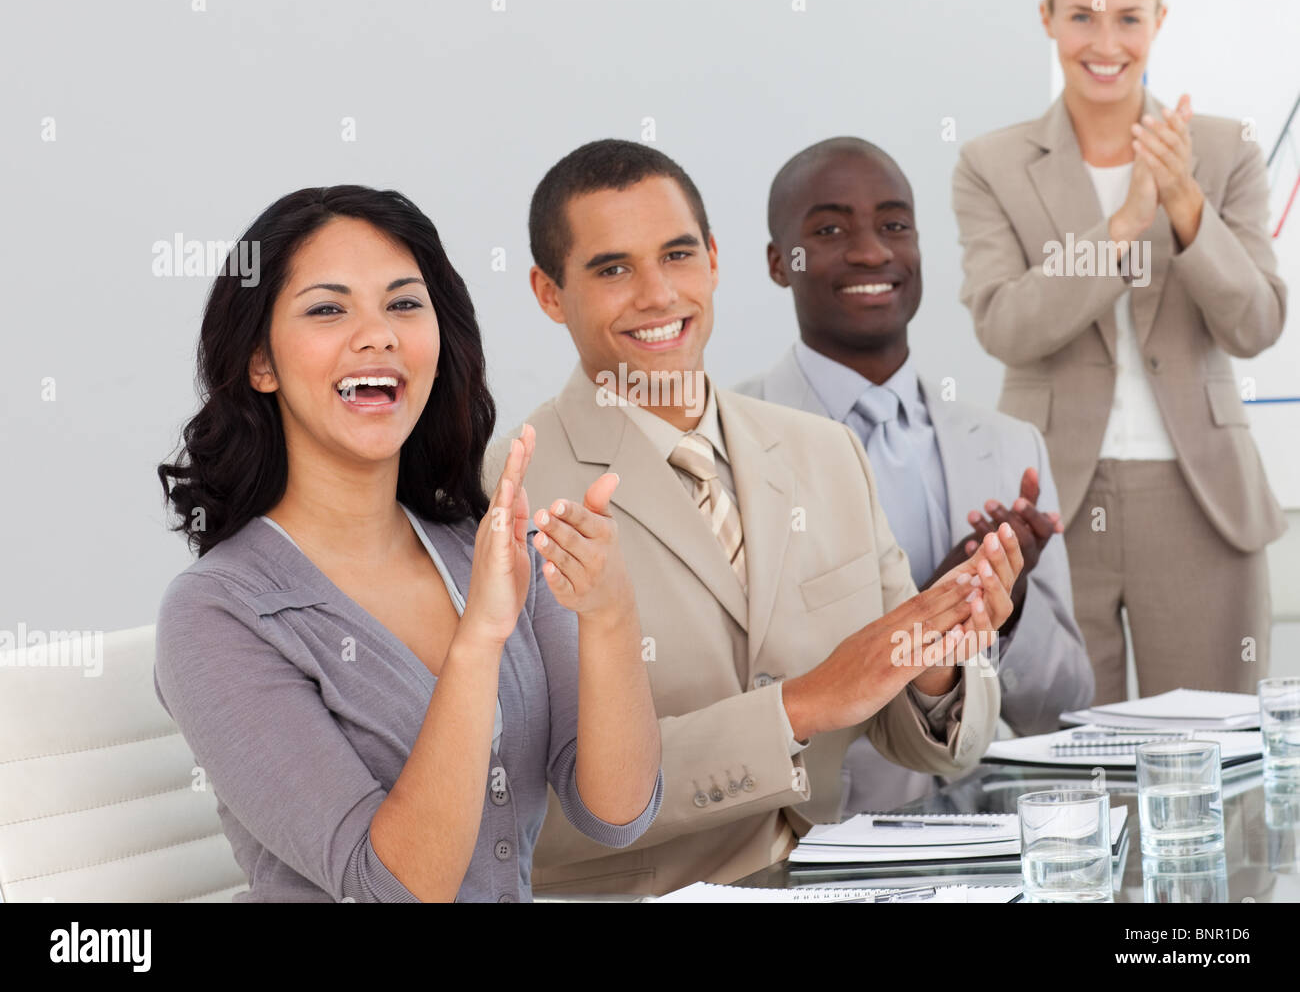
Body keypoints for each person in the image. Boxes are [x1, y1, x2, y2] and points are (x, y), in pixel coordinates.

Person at [486, 140, 1025, 897]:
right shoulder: (505, 489)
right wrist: (800, 706)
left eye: (677, 255)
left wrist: (934, 651)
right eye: (613, 269)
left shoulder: (826, 452)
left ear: (712, 258)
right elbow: (516, 807)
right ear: (548, 292)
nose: (656, 294)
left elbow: (933, 746)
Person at [154, 185, 662, 902]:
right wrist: (480, 638)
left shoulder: (486, 545)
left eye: (403, 303)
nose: (378, 334)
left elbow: (615, 813)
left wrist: (611, 615)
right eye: (328, 308)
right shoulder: (217, 613)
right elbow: (390, 885)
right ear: (260, 363)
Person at [952, 0, 1287, 704]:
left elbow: (1257, 323)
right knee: (1069, 759)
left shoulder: (1222, 149)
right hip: (1056, 503)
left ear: (1159, 22)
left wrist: (1186, 208)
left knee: (1209, 752)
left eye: (1128, 18)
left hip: (1200, 499)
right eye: (1082, 16)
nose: (1106, 42)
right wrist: (1126, 224)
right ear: (1047, 19)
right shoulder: (991, 164)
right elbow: (1006, 324)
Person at [737, 136, 1095, 812]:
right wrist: (930, 612)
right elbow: (731, 703)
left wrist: (1007, 605)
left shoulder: (1008, 445)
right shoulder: (727, 442)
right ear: (780, 263)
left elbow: (1064, 708)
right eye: (831, 228)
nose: (873, 250)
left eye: (895, 225)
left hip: (993, 847)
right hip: (813, 847)